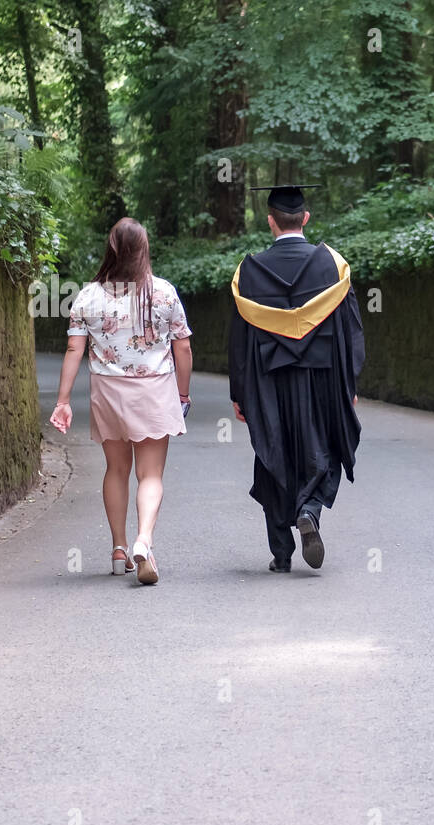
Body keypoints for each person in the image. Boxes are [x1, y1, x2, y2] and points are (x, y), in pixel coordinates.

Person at [50, 217, 193, 585]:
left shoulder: (88, 296)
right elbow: (183, 346)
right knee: (151, 474)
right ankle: (144, 541)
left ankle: (118, 549)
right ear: (144, 249)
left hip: (108, 391)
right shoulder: (163, 293)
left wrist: (63, 400)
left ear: (111, 248)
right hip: (154, 389)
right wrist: (181, 393)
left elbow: (73, 349)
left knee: (116, 470)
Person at [228, 184, 364, 573]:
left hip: (269, 382)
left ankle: (281, 553)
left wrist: (240, 393)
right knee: (322, 446)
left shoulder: (249, 272)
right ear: (305, 218)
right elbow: (352, 329)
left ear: (270, 221)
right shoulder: (333, 267)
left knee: (273, 451)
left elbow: (238, 340)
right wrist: (349, 384)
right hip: (321, 379)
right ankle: (310, 509)